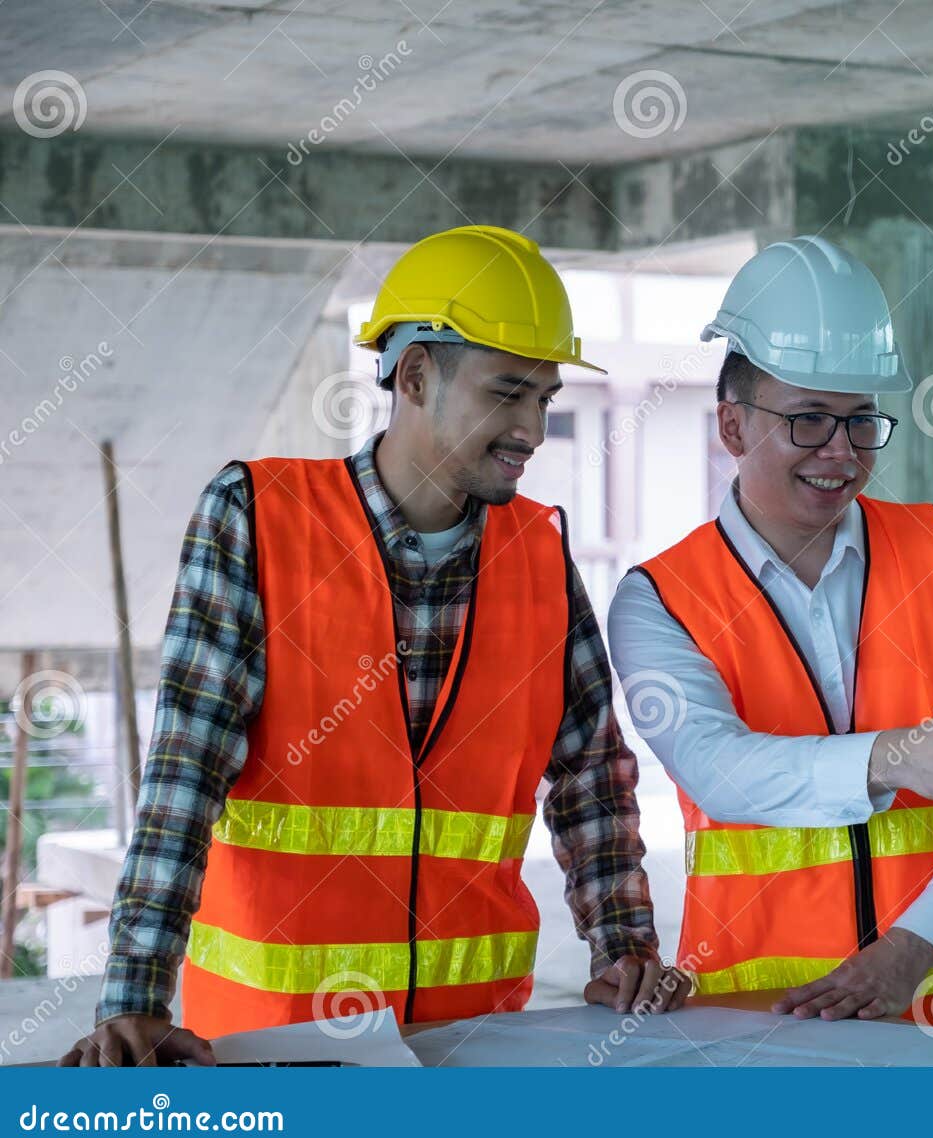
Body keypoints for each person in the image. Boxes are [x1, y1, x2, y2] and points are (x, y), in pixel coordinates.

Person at [62, 226, 685, 1067]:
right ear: (416, 375)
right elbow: (185, 777)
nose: (532, 428)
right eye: (508, 393)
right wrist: (135, 999)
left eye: (545, 397)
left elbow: (592, 776)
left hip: (472, 1048)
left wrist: (623, 947)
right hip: (273, 1049)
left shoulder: (539, 552)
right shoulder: (257, 518)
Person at [609, 235, 933, 1041]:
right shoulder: (660, 599)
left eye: (859, 420)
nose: (841, 451)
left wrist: (913, 947)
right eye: (808, 419)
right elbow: (718, 769)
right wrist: (893, 758)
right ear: (732, 425)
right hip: (761, 1027)